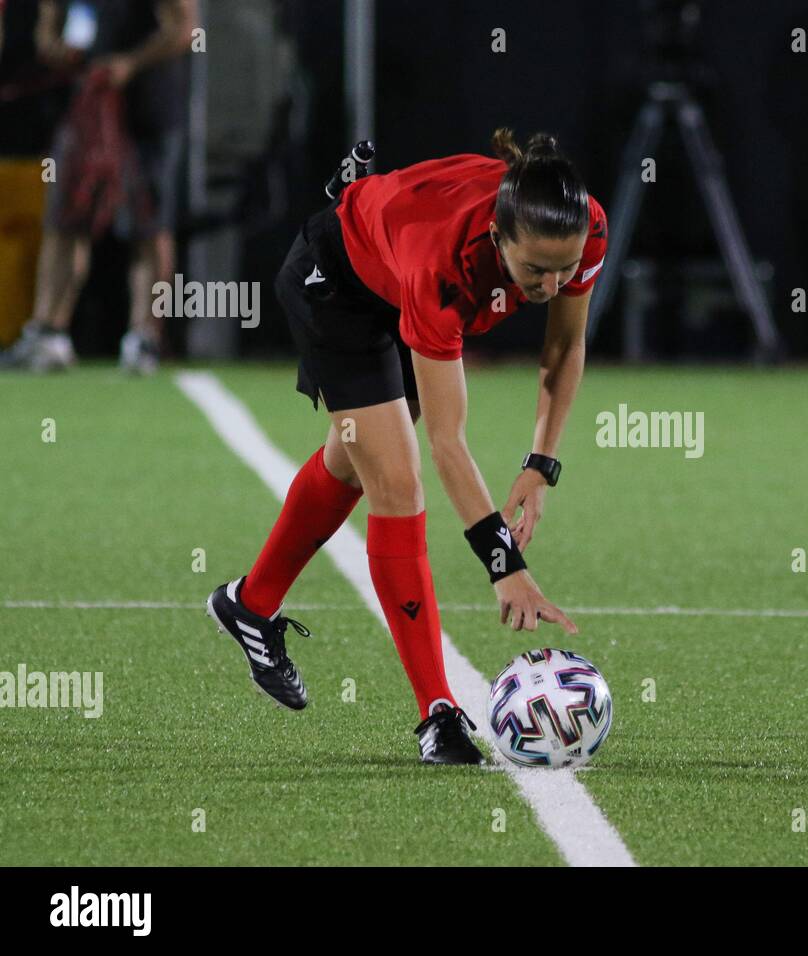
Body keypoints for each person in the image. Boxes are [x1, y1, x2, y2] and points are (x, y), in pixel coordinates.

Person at [206, 129, 605, 765]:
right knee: (398, 482)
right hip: (336, 287)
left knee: (353, 460)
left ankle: (249, 604)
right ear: (499, 236)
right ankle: (437, 715)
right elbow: (449, 442)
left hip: (389, 271)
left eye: (566, 268)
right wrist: (506, 567)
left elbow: (562, 349)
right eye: (535, 270)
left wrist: (540, 465)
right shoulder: (442, 265)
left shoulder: (578, 225)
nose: (552, 285)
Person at [2, 0, 194, 374]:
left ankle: (144, 337)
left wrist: (130, 63)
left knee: (148, 225)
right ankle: (47, 333)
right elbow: (49, 25)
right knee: (65, 218)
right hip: (86, 106)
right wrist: (54, 44)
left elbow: (184, 28)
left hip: (147, 108)